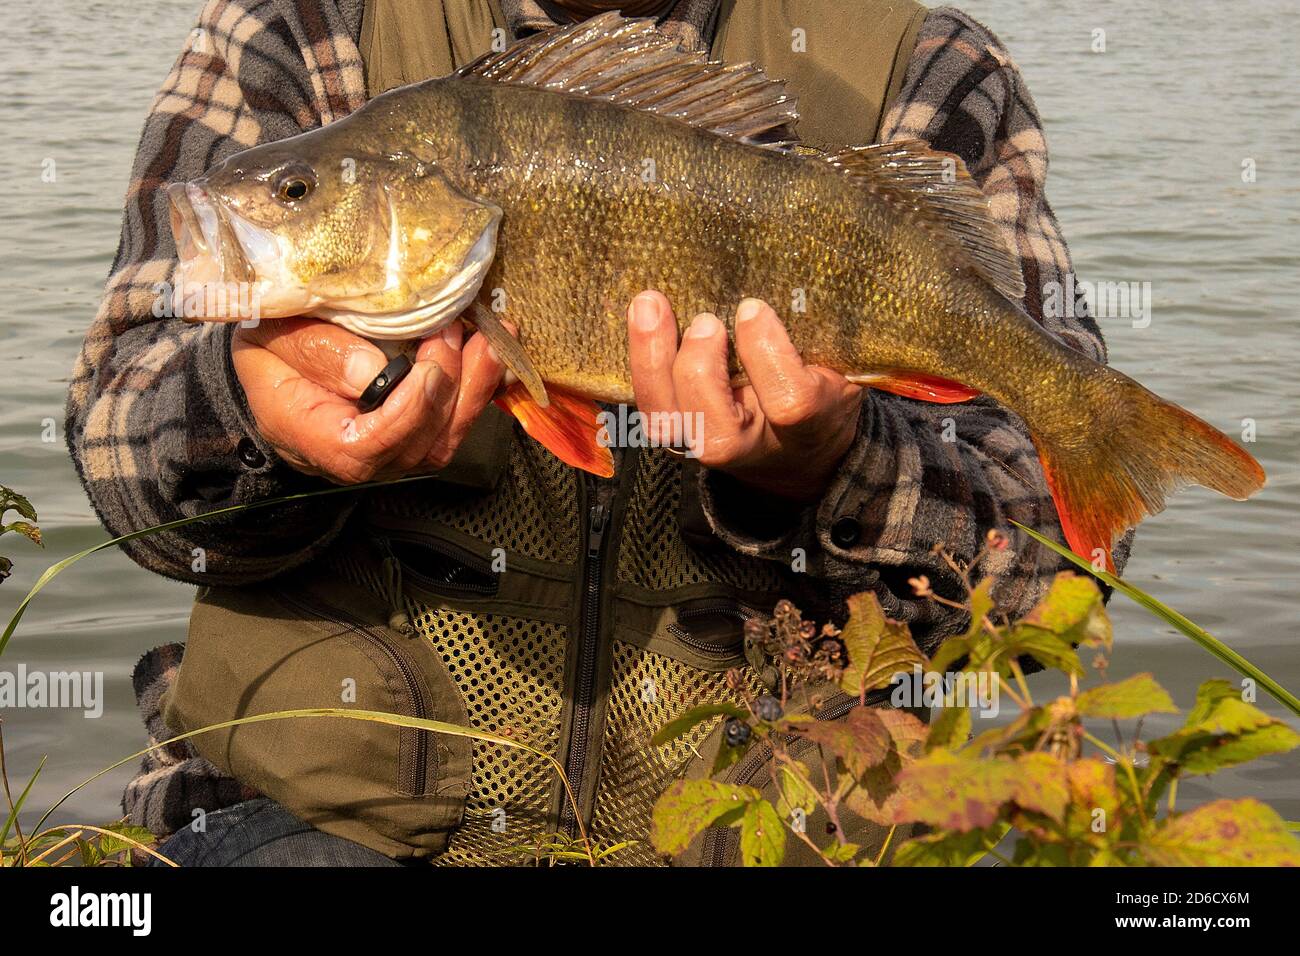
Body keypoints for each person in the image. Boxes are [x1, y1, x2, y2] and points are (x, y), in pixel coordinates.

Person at [67, 0, 1122, 867]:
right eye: (297, 191)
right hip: (318, 819)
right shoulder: (300, 31)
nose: (266, 209)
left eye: (296, 195)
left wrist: (833, 466)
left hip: (758, 832)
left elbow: (1053, 590)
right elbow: (123, 469)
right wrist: (252, 416)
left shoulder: (924, 67)